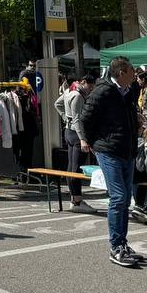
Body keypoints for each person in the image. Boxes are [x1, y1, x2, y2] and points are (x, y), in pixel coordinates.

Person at [77, 56, 143, 268]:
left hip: (127, 151)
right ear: (121, 72)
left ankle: (122, 243)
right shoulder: (103, 91)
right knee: (119, 196)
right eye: (132, 71)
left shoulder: (130, 91)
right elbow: (85, 118)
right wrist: (91, 142)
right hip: (109, 150)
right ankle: (116, 246)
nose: (135, 75)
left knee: (126, 198)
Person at [55, 74, 93, 212]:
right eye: (90, 87)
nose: (90, 90)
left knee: (71, 167)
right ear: (83, 82)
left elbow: (57, 104)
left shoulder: (69, 91)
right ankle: (77, 201)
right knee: (76, 168)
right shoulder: (77, 95)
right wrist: (82, 138)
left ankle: (74, 199)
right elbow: (77, 119)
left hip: (68, 132)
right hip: (76, 134)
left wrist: (65, 118)